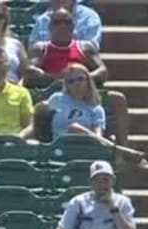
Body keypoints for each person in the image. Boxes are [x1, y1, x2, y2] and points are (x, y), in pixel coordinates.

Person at [28, 9, 137, 157]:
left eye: (67, 22)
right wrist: (64, 79)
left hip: (85, 92)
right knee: (38, 108)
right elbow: (32, 72)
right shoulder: (41, 48)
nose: (62, 26)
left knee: (117, 99)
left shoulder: (85, 47)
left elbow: (102, 71)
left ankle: (121, 152)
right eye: (57, 22)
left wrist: (82, 78)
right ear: (50, 27)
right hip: (53, 93)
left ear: (73, 26)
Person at [34, 62, 147, 165]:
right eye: (71, 81)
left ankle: (118, 150)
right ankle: (121, 151)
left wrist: (82, 132)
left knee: (76, 128)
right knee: (74, 128)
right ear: (67, 85)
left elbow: (98, 137)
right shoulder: (58, 99)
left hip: (87, 151)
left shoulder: (96, 108)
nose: (76, 84)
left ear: (88, 80)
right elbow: (38, 113)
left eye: (80, 79)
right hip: (59, 150)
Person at [53, 160, 136, 229]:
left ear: (113, 181)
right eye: (97, 181)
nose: (102, 185)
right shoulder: (78, 202)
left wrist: (114, 208)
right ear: (90, 183)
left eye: (106, 180)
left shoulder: (123, 202)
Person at [29, 0, 104, 49]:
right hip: (47, 66)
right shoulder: (42, 20)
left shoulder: (89, 17)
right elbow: (33, 47)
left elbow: (92, 46)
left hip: (79, 64)